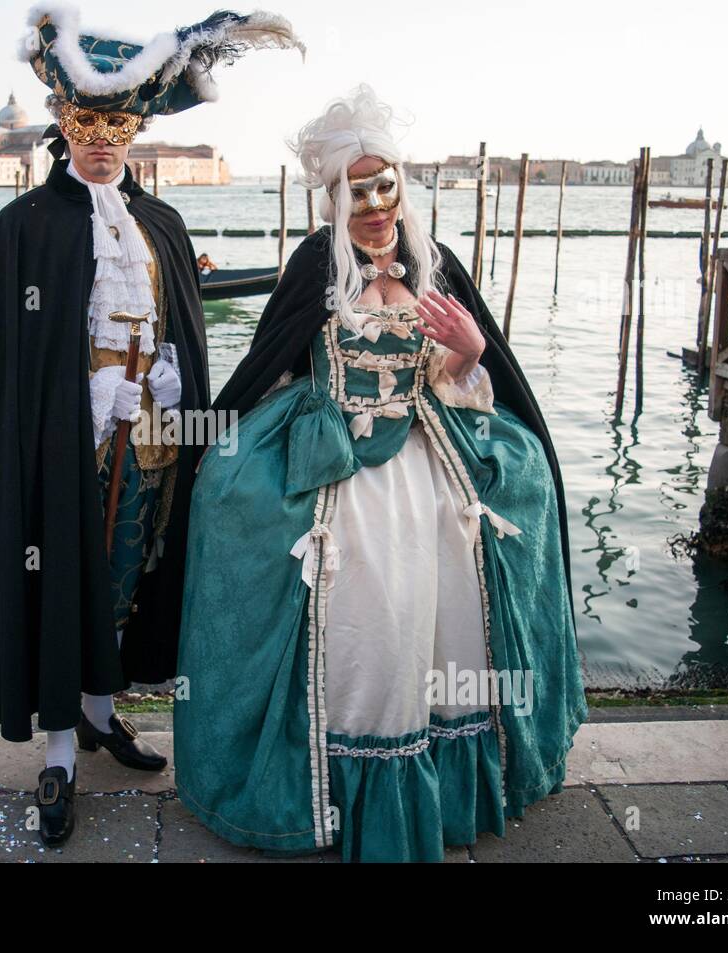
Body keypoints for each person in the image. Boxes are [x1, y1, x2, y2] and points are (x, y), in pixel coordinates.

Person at [173, 86, 587, 862]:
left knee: (460, 573)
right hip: (343, 462)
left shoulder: (438, 264)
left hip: (430, 454)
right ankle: (328, 789)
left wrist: (469, 348)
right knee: (356, 601)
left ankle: (446, 775)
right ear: (332, 199)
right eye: (355, 191)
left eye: (384, 185)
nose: (373, 205)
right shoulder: (311, 269)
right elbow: (272, 368)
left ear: (403, 184)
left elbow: (457, 380)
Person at [0, 6, 303, 847]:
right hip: (61, 450)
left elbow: (180, 320)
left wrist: (178, 380)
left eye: (116, 125)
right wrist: (68, 403)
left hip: (153, 440)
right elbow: (5, 366)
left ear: (135, 131)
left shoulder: (163, 226)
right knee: (66, 573)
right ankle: (61, 747)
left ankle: (102, 713)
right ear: (63, 125)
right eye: (86, 123)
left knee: (129, 569)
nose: (101, 140)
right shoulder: (21, 229)